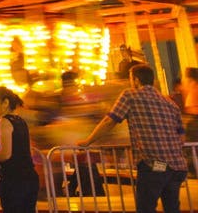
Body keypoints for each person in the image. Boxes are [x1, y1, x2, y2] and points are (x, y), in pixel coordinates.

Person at [78, 64, 186, 213]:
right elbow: (181, 138)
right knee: (172, 208)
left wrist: (88, 141)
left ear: (135, 80)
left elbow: (110, 121)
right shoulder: (171, 104)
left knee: (145, 208)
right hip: (177, 167)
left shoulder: (130, 95)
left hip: (155, 165)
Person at [0, 87, 39, 213]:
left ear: (5, 103)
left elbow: (5, 154)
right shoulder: (20, 121)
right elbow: (29, 150)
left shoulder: (3, 122)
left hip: (14, 179)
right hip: (29, 177)